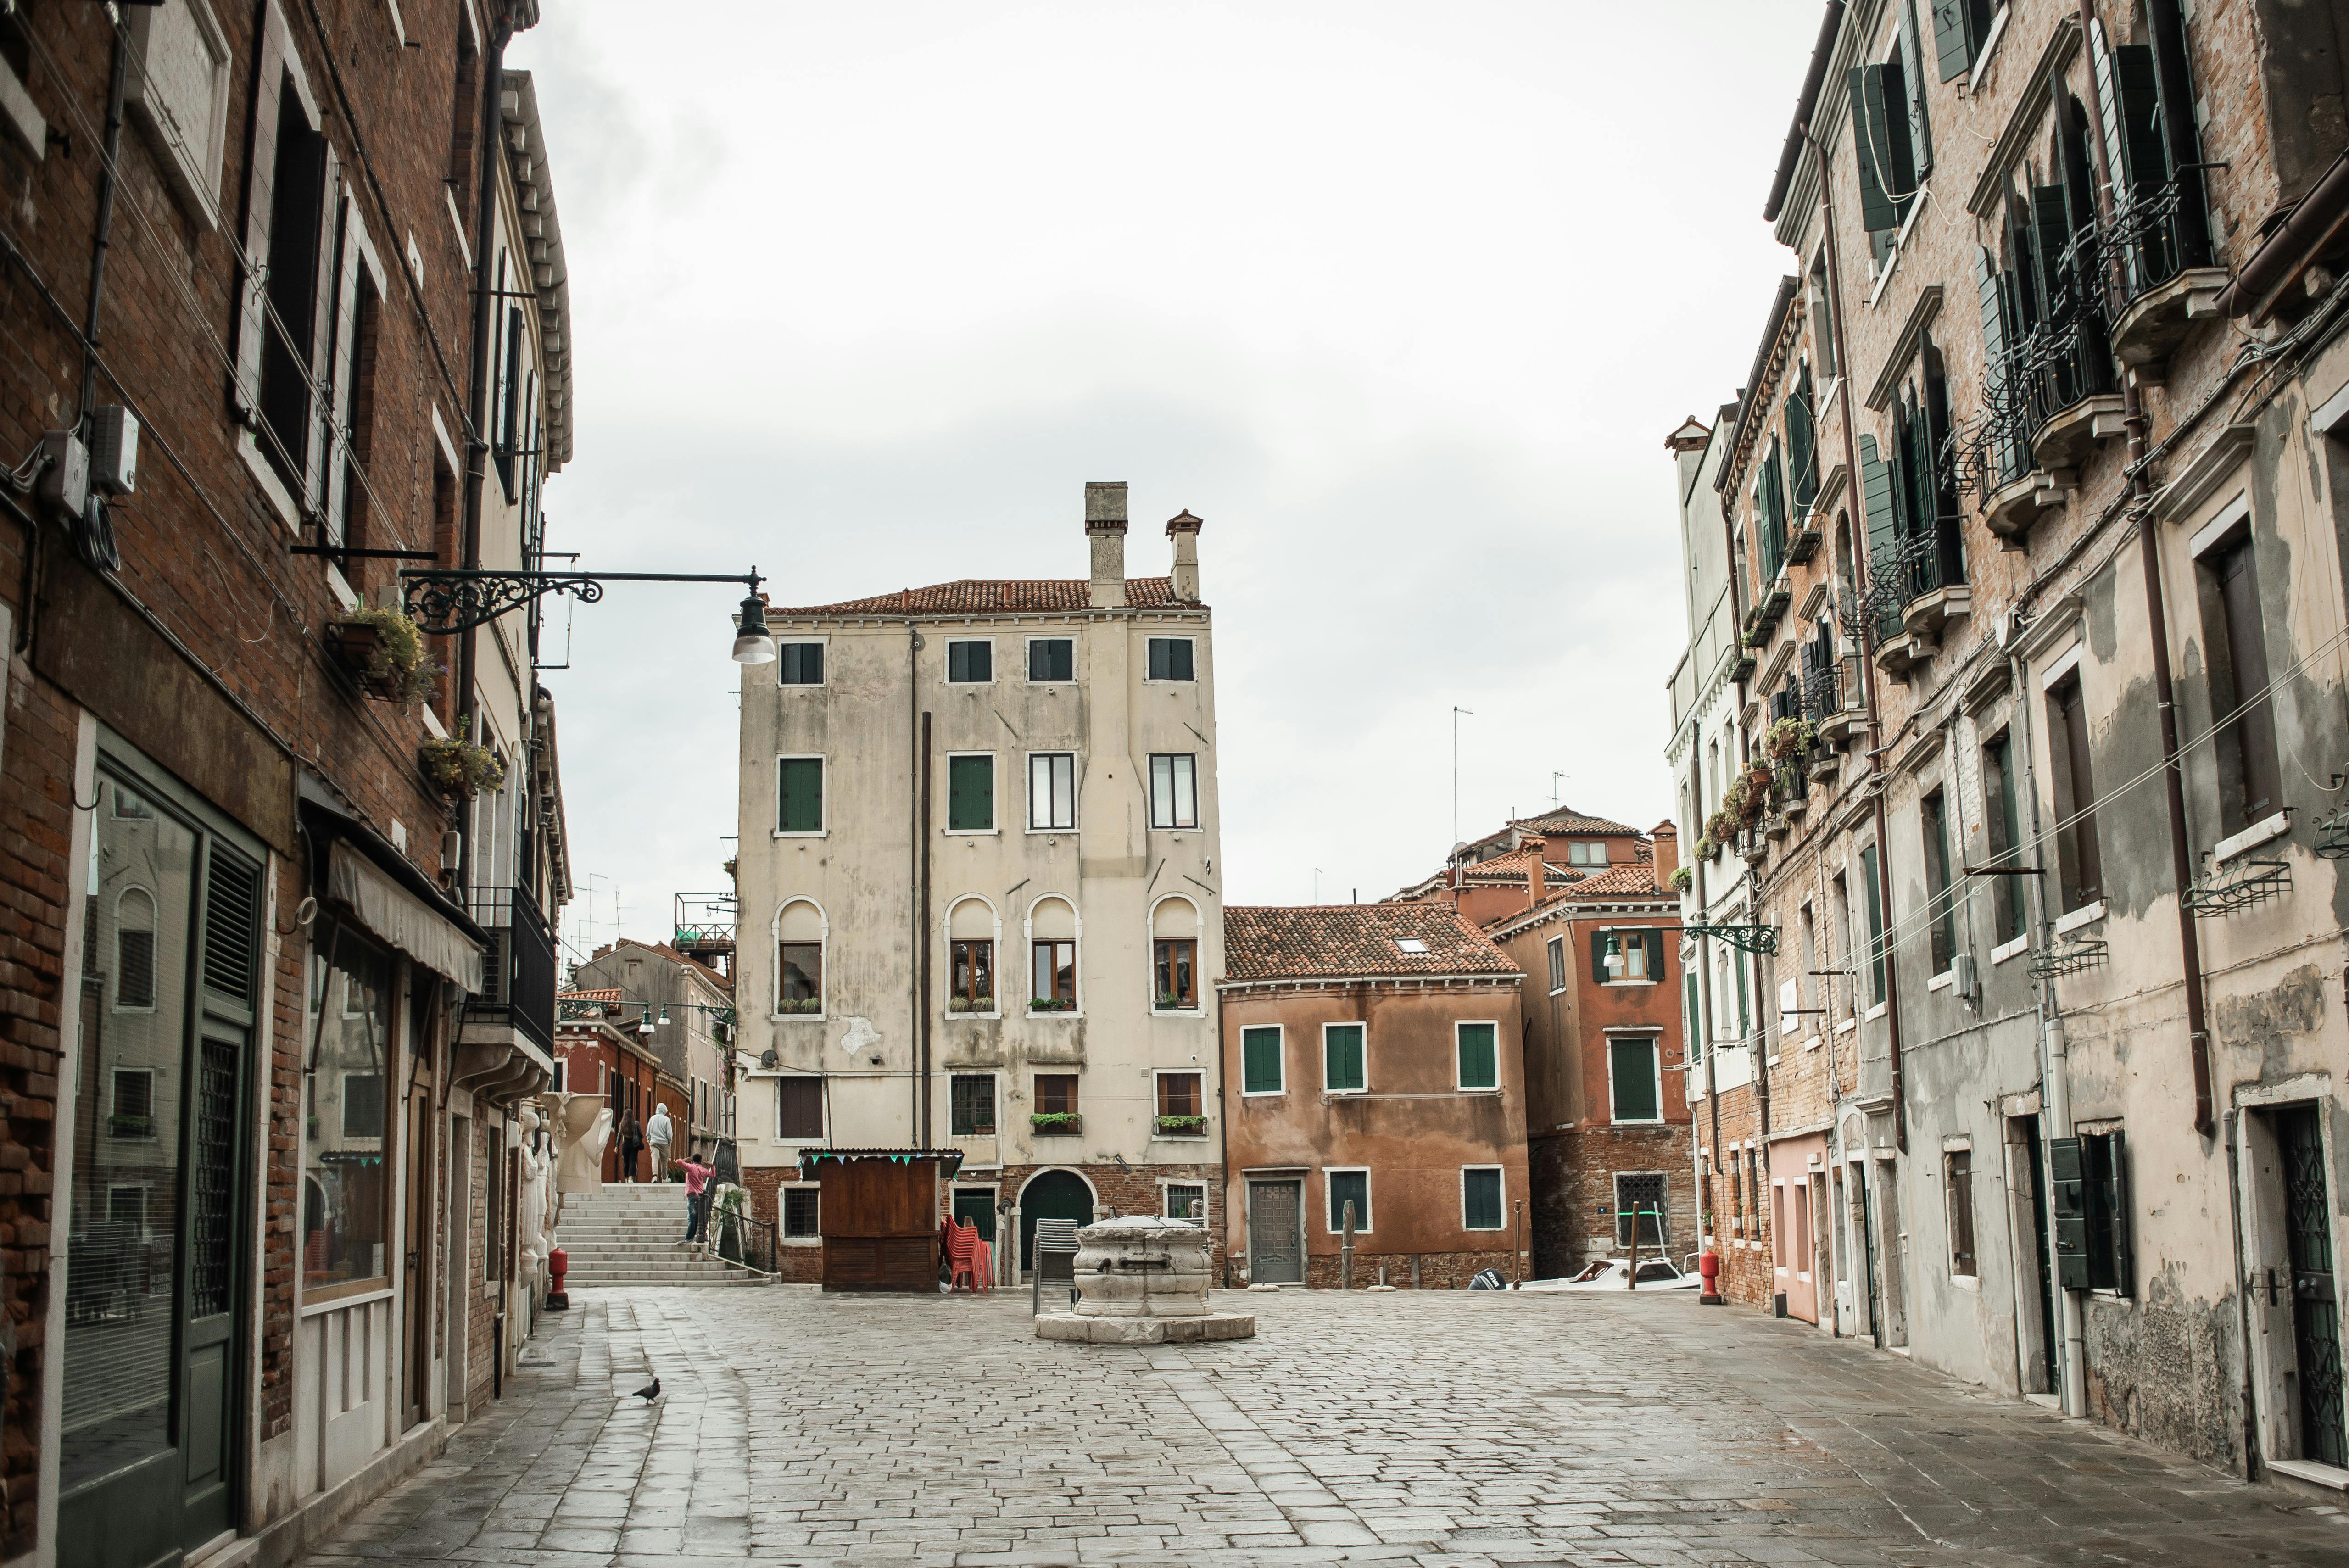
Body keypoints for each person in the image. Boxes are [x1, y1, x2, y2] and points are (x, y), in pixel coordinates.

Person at [673, 1153, 716, 1244]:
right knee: (696, 1218)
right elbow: (713, 1175)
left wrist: (686, 1159)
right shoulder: (703, 1170)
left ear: (693, 1160)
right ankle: (693, 1237)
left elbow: (678, 1161)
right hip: (699, 1196)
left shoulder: (691, 1167)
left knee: (692, 1218)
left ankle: (688, 1238)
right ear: (701, 1161)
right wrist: (712, 1166)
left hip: (692, 1196)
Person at [645, 1103, 673, 1183]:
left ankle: (654, 1177)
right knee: (664, 1161)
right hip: (664, 1143)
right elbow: (670, 1134)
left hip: (654, 1142)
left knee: (655, 1159)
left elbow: (648, 1131)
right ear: (664, 1110)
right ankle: (664, 1178)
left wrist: (649, 1140)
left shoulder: (652, 1119)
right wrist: (669, 1141)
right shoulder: (667, 1120)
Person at [616, 1107, 642, 1184]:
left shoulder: (622, 1125)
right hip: (634, 1145)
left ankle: (627, 1178)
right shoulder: (636, 1123)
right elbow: (640, 1134)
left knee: (626, 1162)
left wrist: (617, 1146)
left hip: (625, 1145)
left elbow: (619, 1136)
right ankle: (631, 1177)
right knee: (633, 1161)